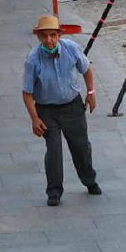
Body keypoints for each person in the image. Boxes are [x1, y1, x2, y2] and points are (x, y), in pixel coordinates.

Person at [22, 15, 101, 206]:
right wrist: (34, 118)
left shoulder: (71, 48)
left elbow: (87, 69)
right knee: (54, 150)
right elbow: (27, 92)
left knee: (81, 147)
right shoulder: (32, 59)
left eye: (53, 35)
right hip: (47, 110)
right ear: (39, 37)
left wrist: (90, 92)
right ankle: (54, 192)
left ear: (59, 35)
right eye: (45, 36)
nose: (49, 40)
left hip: (72, 106)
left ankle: (89, 180)